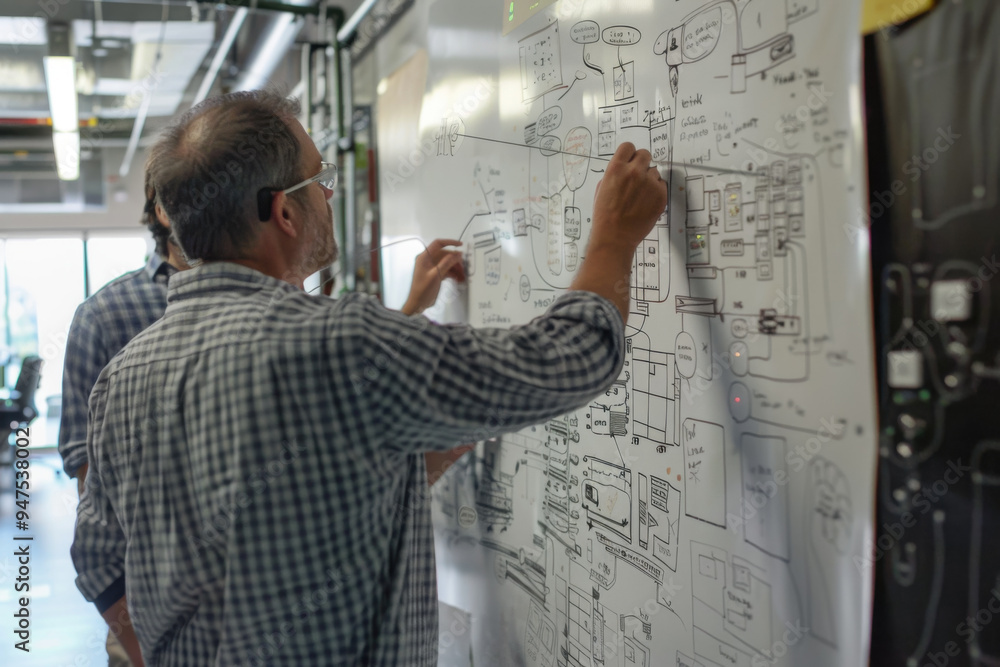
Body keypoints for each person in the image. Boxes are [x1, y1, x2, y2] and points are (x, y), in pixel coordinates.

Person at [71, 90, 667, 666]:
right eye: (319, 179)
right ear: (283, 211)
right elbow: (571, 356)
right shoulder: (341, 343)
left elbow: (100, 563)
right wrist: (614, 237)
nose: (329, 194)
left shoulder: (122, 379)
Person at [59, 179, 190, 666]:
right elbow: (89, 479)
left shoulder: (272, 305)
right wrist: (136, 641)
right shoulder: (104, 315)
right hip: (146, 602)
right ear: (162, 210)